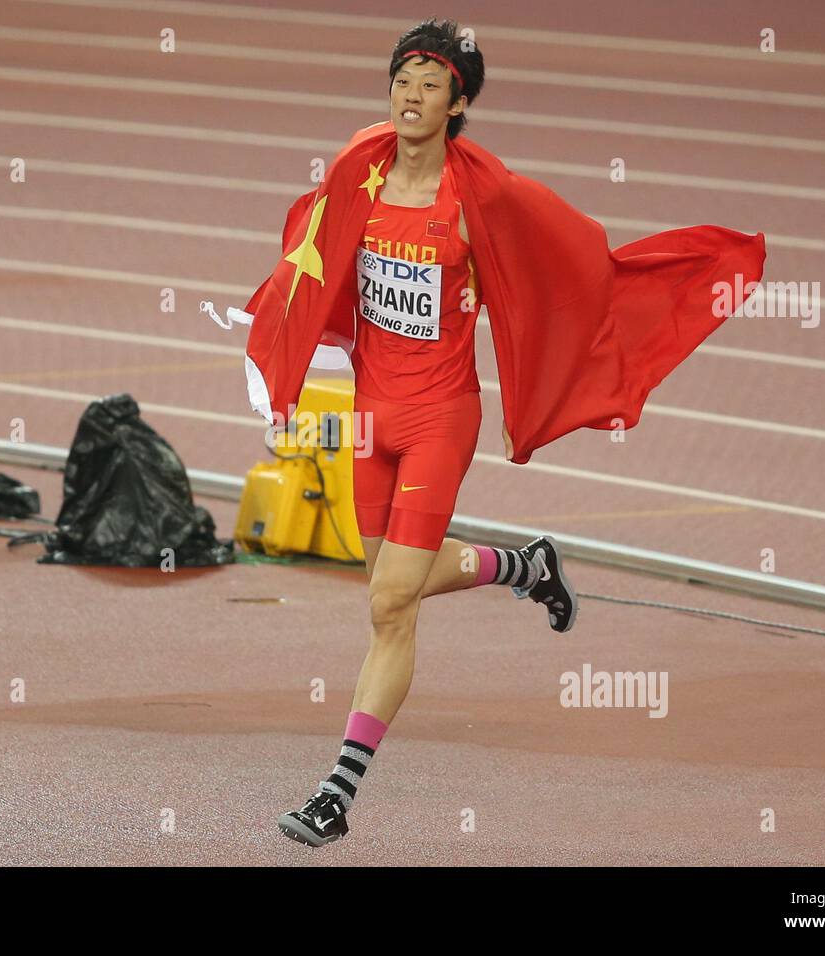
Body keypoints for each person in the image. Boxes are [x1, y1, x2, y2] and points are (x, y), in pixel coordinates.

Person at [275, 19, 577, 849]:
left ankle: (336, 796)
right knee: (391, 600)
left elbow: (548, 278)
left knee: (387, 598)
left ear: (458, 103)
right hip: (370, 417)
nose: (412, 94)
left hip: (441, 418)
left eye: (431, 83)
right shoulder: (358, 177)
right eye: (403, 78)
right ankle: (525, 564)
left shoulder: (479, 204)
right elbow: (310, 254)